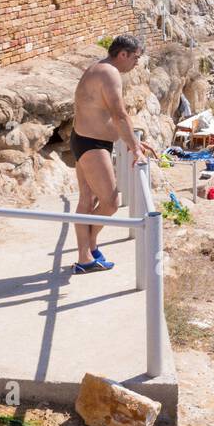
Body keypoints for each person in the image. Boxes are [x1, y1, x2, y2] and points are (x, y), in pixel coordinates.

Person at [69, 35, 157, 273]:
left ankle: (86, 254)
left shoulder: (100, 68)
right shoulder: (109, 73)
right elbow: (119, 115)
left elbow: (110, 115)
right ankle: (87, 247)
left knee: (88, 200)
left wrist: (132, 142)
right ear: (123, 54)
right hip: (92, 143)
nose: (137, 63)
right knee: (111, 202)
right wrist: (135, 148)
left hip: (85, 139)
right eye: (136, 57)